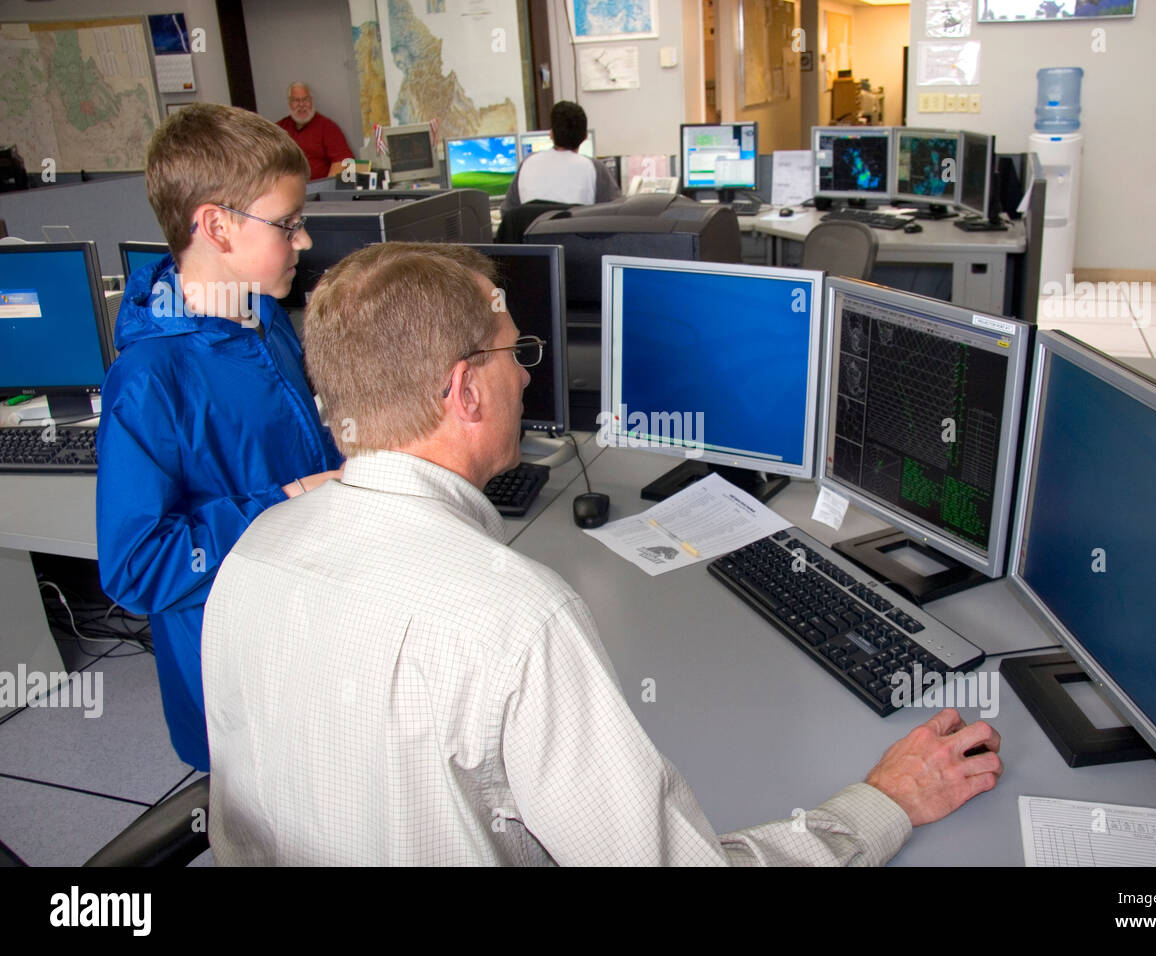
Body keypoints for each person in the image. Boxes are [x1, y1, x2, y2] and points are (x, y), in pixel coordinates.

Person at [201, 241, 1002, 865]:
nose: (525, 377)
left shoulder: (258, 547)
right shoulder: (515, 617)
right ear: (465, 390)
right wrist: (882, 804)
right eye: (514, 354)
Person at [97, 103, 343, 772]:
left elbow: (297, 446)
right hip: (240, 668)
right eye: (287, 225)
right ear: (216, 226)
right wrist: (286, 498)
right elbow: (136, 568)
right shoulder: (150, 379)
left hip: (310, 621)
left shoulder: (263, 318)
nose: (304, 243)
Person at [499, 101, 620, 213]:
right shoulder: (595, 168)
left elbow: (508, 214)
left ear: (551, 135)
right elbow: (615, 213)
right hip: (575, 236)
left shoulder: (527, 164)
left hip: (533, 236)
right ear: (585, 137)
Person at [276, 82, 353, 181]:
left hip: (318, 191)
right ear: (289, 103)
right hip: (289, 190)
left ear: (311, 101)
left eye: (305, 99)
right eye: (296, 100)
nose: (301, 104)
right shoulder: (280, 128)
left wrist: (327, 188)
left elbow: (344, 161)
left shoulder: (327, 127)